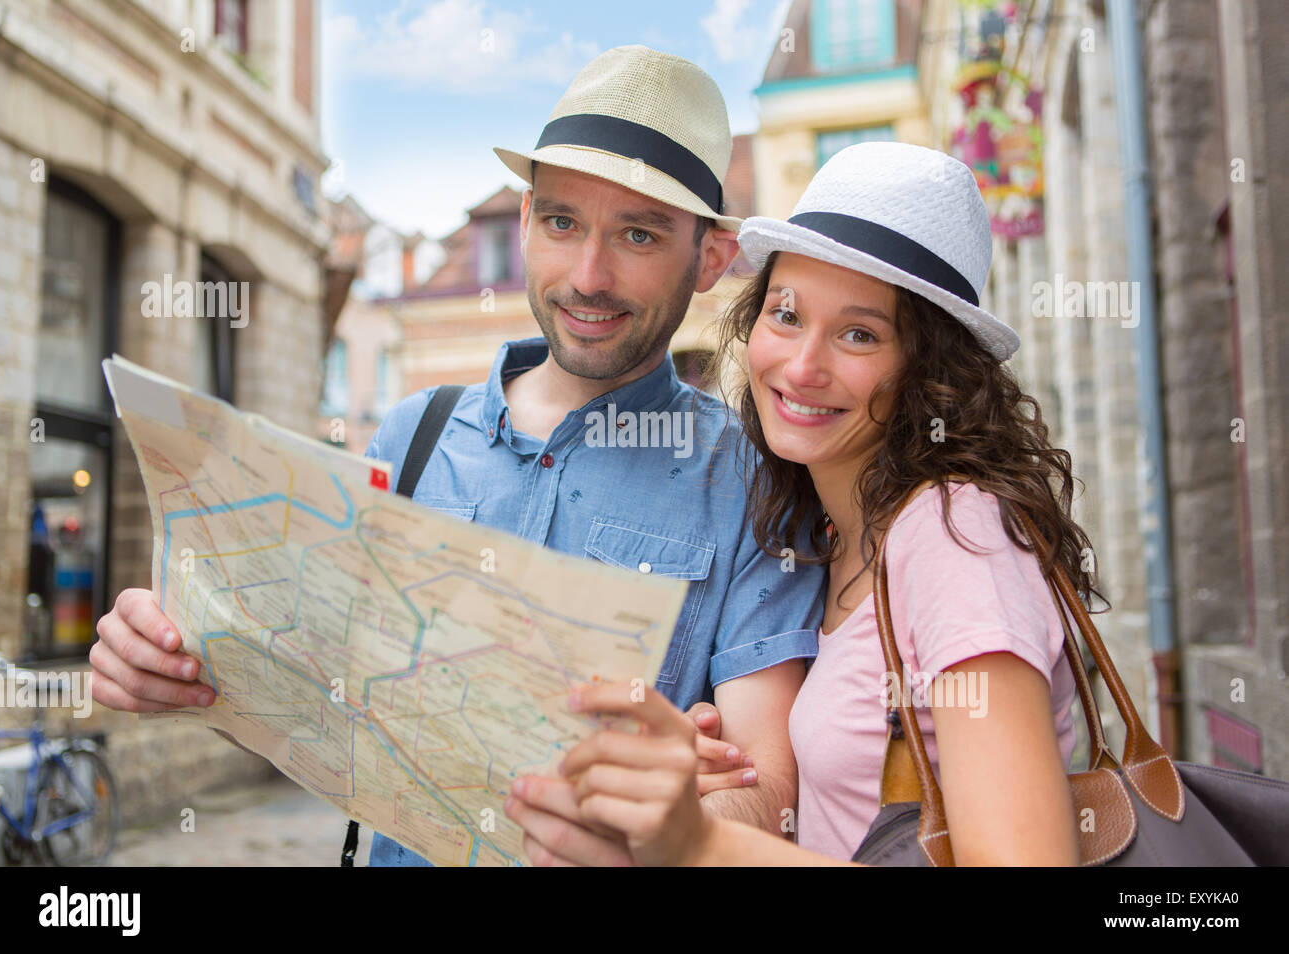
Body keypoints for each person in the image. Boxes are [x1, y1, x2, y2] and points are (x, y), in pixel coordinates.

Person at [89, 46, 827, 866]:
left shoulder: (757, 481)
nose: (588, 275)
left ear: (712, 259)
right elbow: (322, 707)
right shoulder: (414, 439)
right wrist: (176, 671)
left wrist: (678, 819)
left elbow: (768, 797)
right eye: (561, 222)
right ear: (523, 222)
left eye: (639, 235)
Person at [507, 141, 1096, 866]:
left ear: (931, 372)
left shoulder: (954, 535)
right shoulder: (827, 534)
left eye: (859, 333)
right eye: (786, 316)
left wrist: (699, 846)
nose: (803, 365)